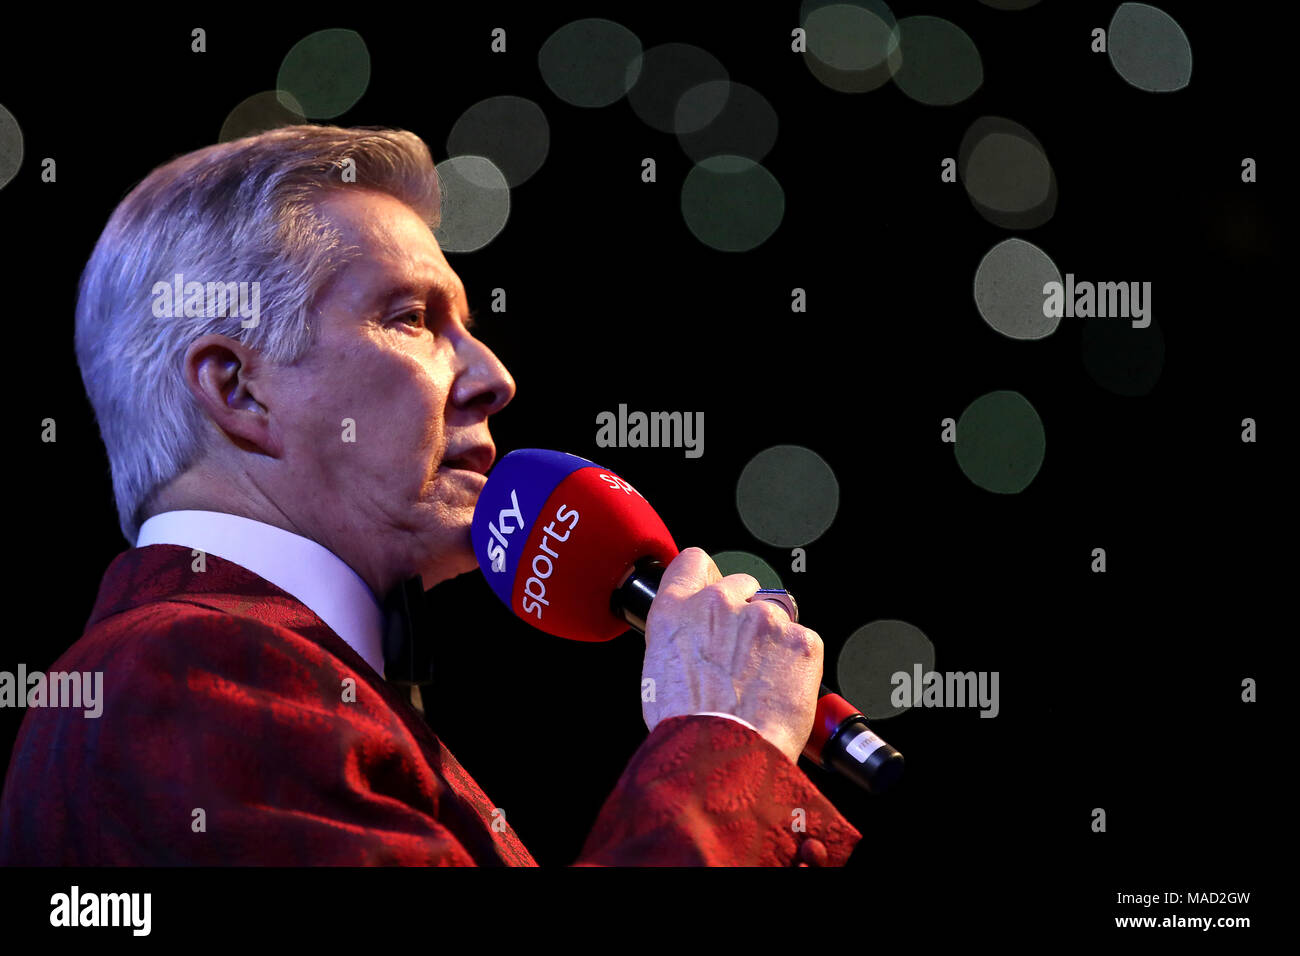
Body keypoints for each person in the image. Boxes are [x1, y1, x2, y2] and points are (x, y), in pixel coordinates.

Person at [0, 125, 860, 865]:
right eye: (412, 318)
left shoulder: (285, 674)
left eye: (470, 330)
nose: (496, 379)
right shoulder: (184, 671)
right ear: (239, 389)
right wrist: (726, 748)